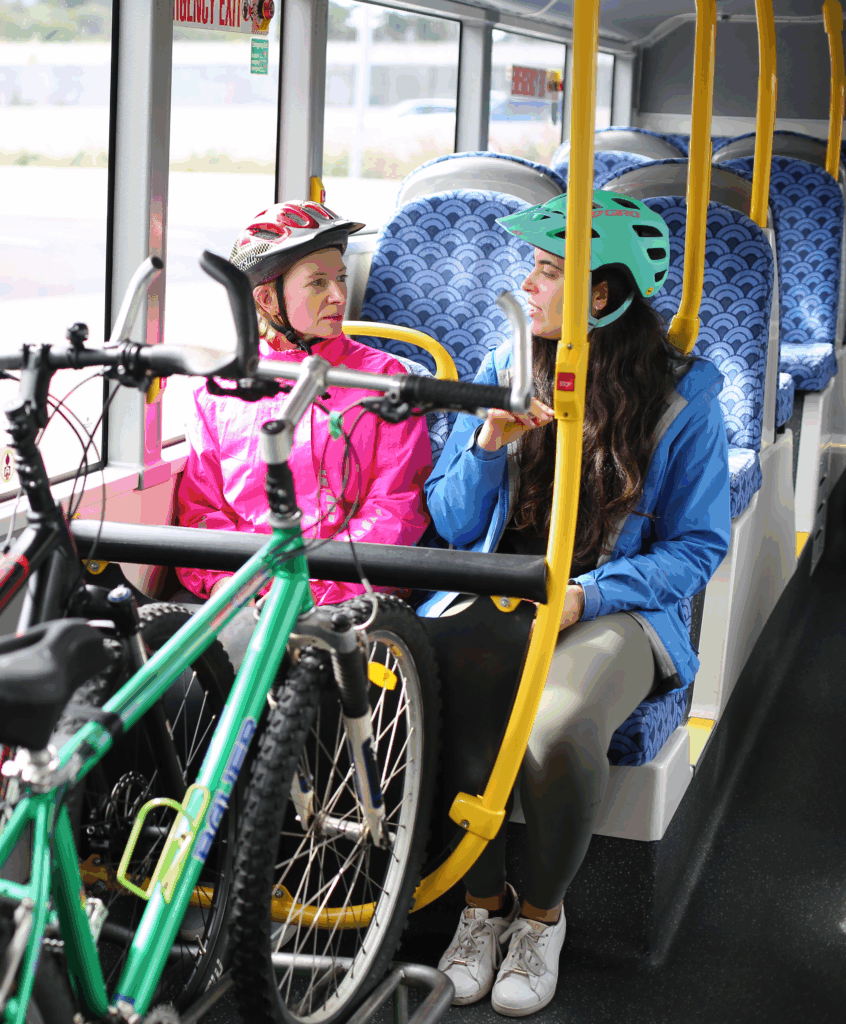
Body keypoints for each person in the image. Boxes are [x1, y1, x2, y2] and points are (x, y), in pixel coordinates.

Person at [424, 191, 731, 1017]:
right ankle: (479, 907)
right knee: (446, 700)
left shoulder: (684, 397)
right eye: (533, 267)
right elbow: (452, 522)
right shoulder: (506, 363)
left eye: (549, 270)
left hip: (614, 605)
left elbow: (698, 547)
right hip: (504, 588)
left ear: (602, 294)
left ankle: (540, 919)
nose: (529, 284)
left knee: (556, 729)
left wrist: (589, 595)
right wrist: (488, 443)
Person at [173, 200, 433, 635]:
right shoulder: (218, 391)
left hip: (354, 592)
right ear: (267, 299)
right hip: (247, 590)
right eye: (317, 283)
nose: (339, 296)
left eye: (341, 278)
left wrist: (314, 590)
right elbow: (203, 510)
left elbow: (396, 505)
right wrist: (225, 584)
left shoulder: (385, 380)